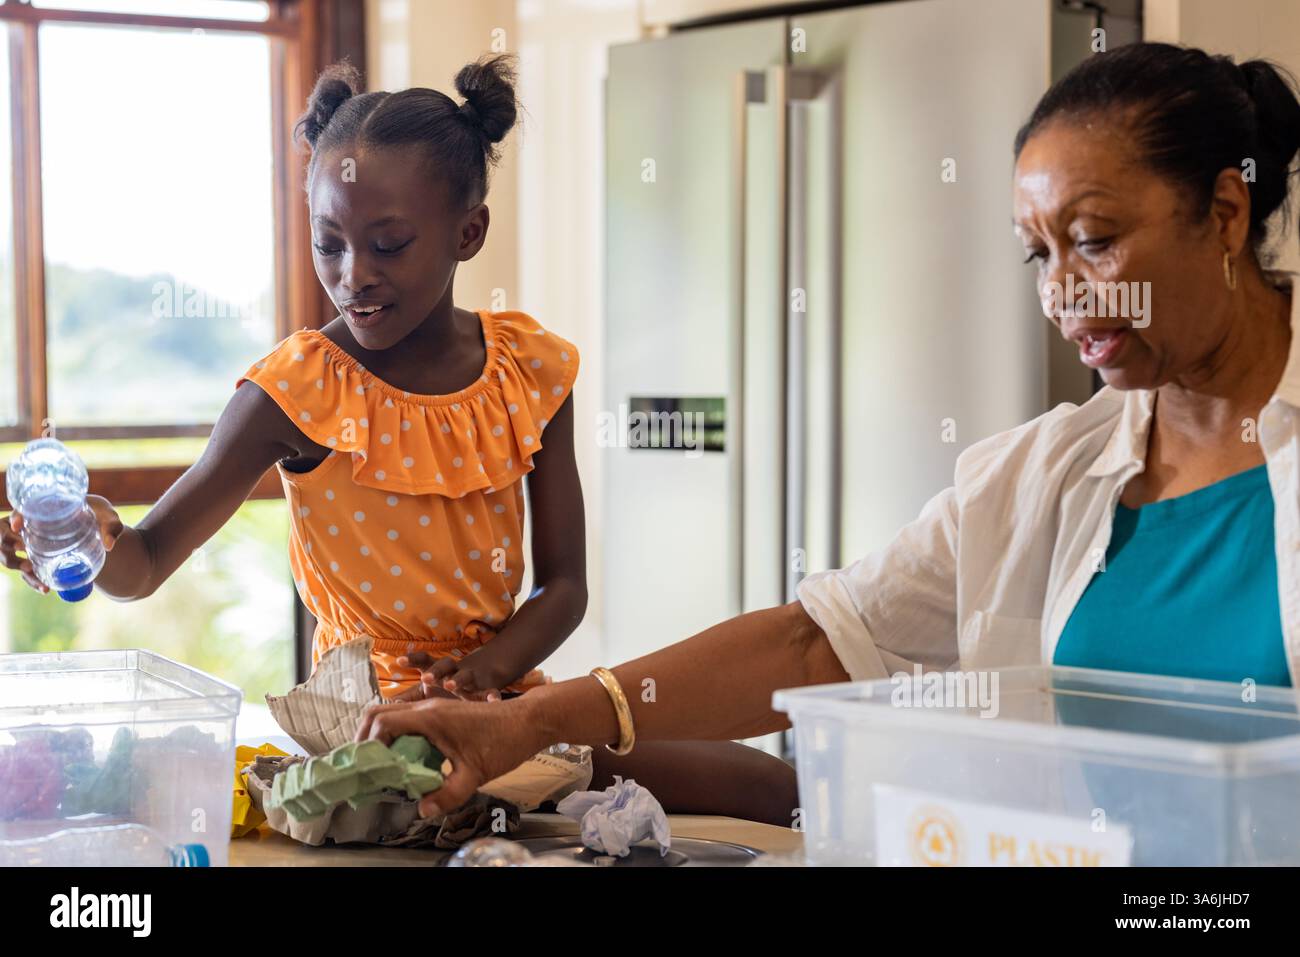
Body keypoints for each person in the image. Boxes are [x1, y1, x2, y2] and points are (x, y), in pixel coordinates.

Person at [353, 42, 1300, 820]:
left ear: (1223, 213)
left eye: (1094, 240)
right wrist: (526, 724)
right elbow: (816, 642)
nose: (1060, 291)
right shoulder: (1048, 473)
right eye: (1038, 252)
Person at [0, 55, 798, 826]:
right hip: (364, 728)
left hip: (504, 705)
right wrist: (91, 537)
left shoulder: (528, 372)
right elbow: (141, 565)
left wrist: (485, 675)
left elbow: (564, 587)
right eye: (329, 244)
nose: (353, 276)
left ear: (469, 231)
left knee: (773, 783)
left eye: (387, 245)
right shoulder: (294, 392)